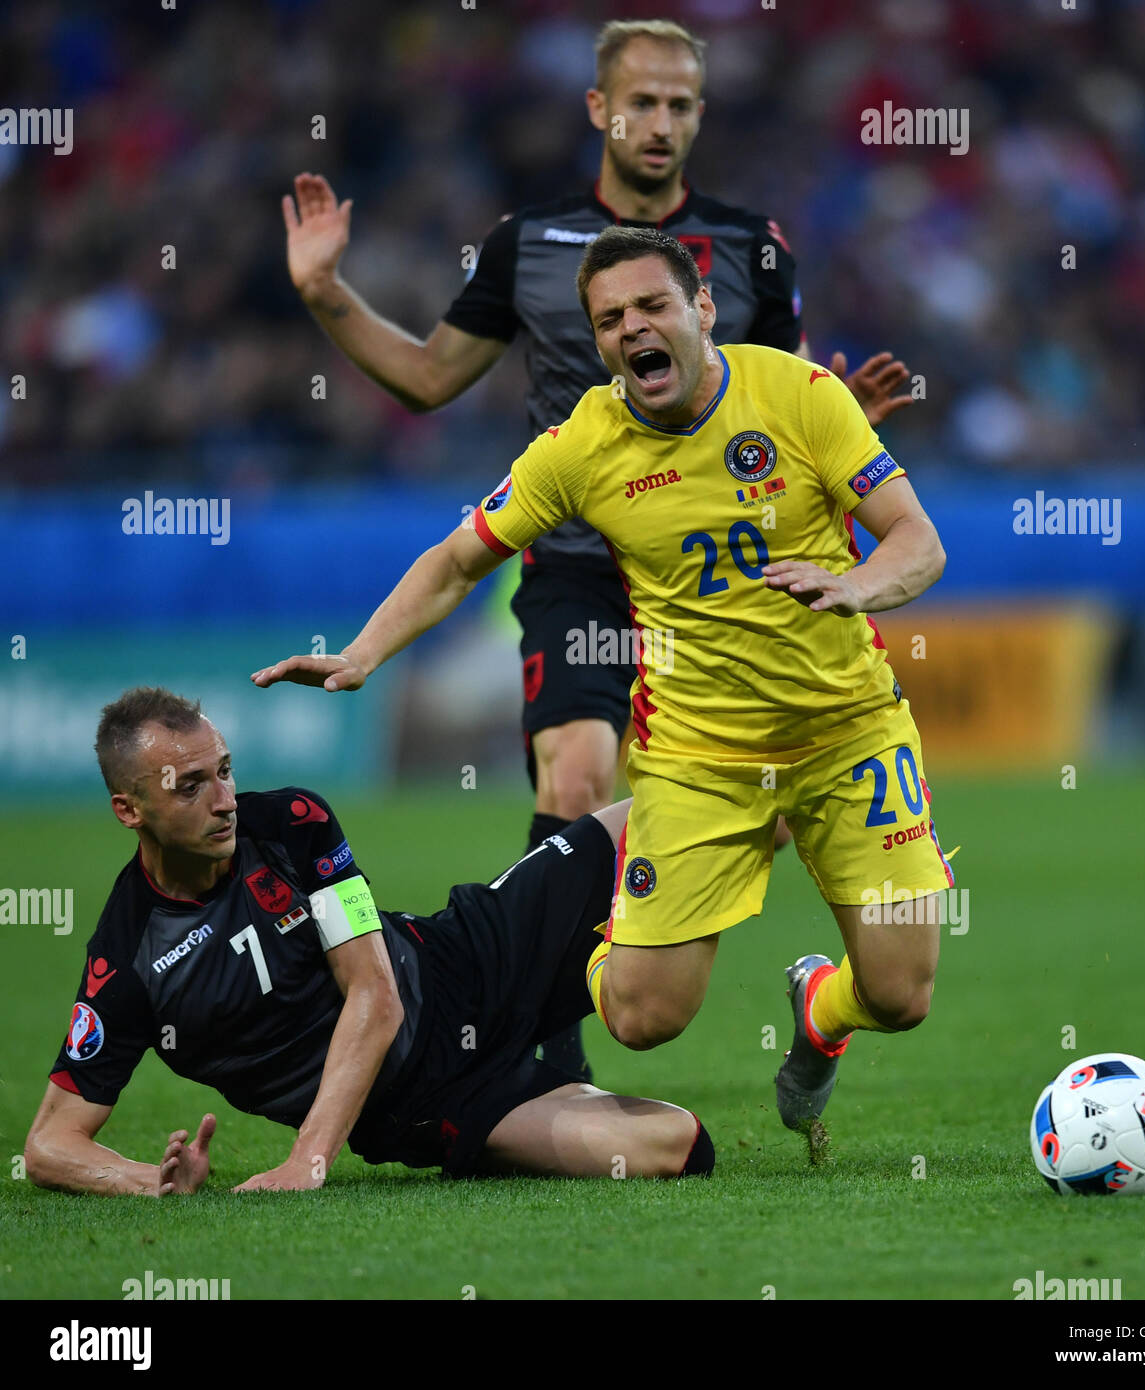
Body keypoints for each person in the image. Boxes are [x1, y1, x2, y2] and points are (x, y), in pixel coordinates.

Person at [283, 18, 914, 1080]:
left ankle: (756, 914)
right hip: (581, 555)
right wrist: (325, 295)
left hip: (726, 567)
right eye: (642, 102)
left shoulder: (751, 244)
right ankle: (544, 1055)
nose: (659, 122)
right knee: (576, 775)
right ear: (598, 109)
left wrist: (840, 424)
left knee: (813, 862)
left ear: (700, 116)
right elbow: (430, 378)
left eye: (680, 104)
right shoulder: (527, 242)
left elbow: (780, 394)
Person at [252, 225, 955, 1138]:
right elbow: (460, 560)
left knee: (900, 997)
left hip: (851, 731)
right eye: (611, 319)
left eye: (653, 306)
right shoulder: (584, 446)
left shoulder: (801, 394)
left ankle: (821, 1008)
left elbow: (918, 542)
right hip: (699, 757)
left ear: (701, 309)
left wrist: (852, 585)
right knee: (641, 1020)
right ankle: (607, 914)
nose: (634, 329)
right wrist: (363, 652)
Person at [23, 687, 713, 1196]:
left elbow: (376, 995)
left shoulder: (293, 823)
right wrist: (152, 1181)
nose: (225, 800)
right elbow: (50, 1144)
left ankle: (818, 977)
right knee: (681, 1147)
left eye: (225, 771)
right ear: (129, 810)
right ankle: (598, 985)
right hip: (434, 1100)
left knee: (691, 809)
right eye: (191, 787)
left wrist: (309, 1157)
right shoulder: (128, 961)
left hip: (469, 956)